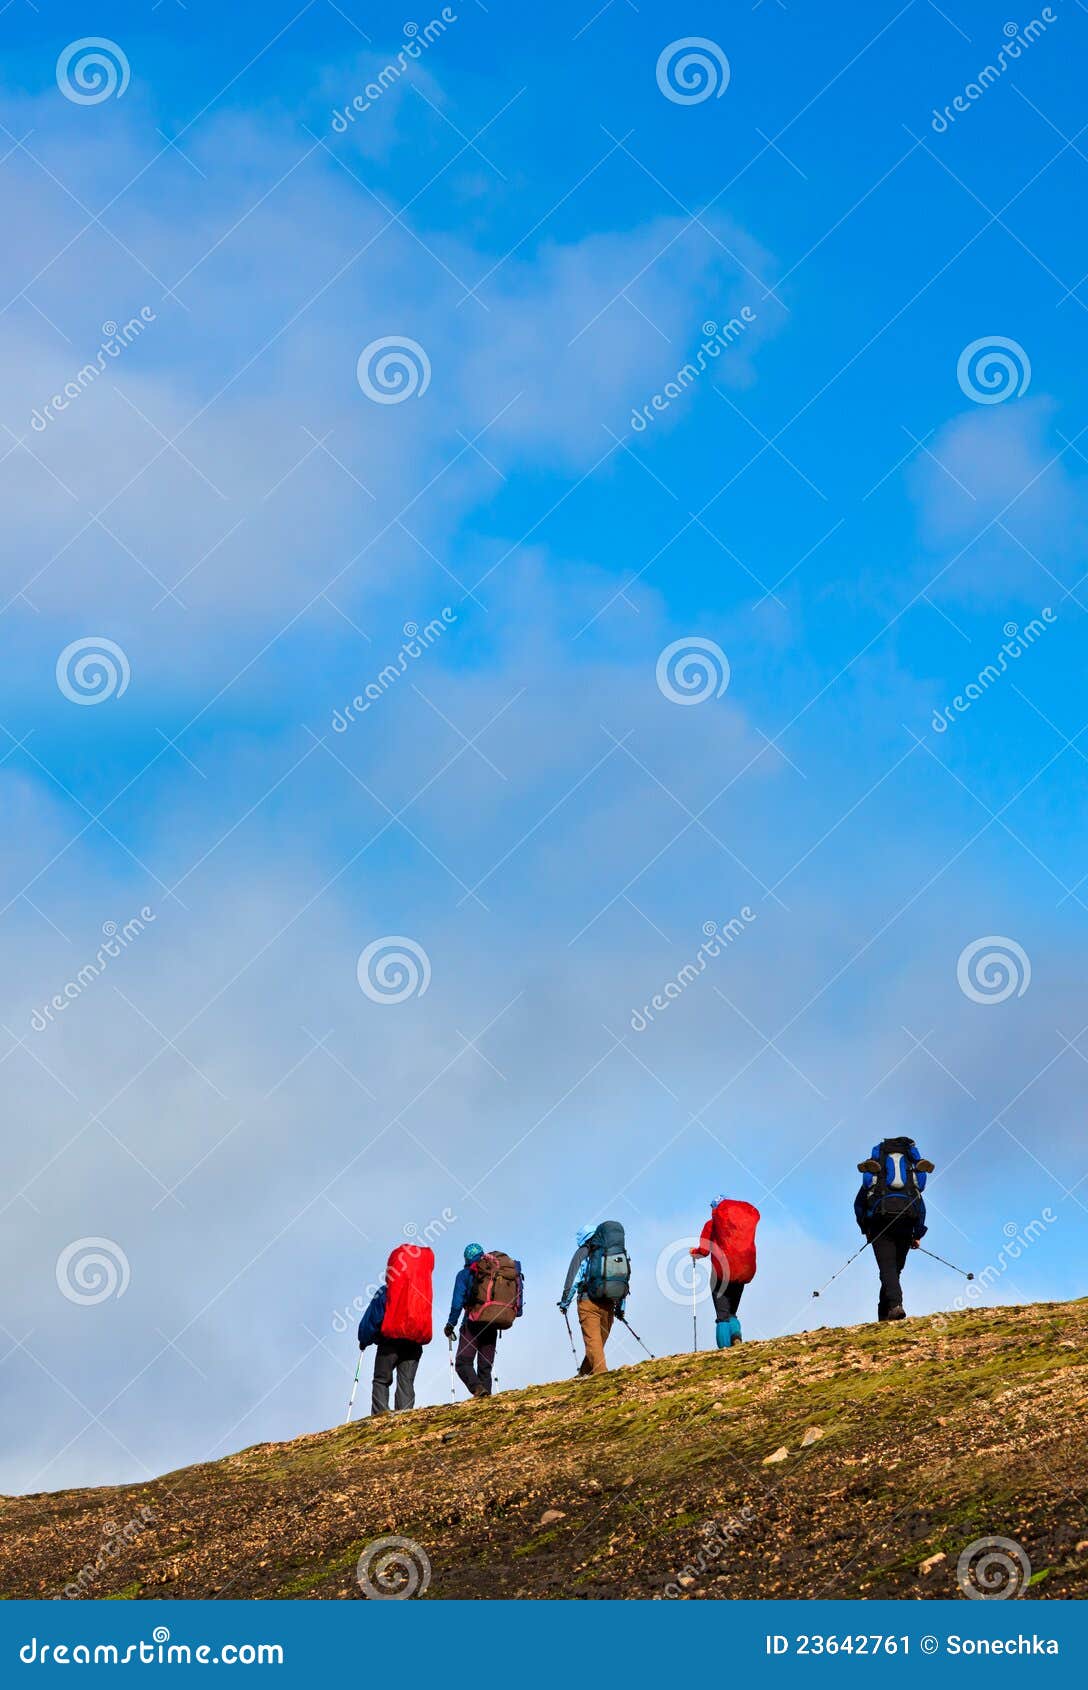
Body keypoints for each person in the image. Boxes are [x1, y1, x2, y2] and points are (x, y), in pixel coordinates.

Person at [854, 1138, 933, 1321]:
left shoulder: (876, 1180)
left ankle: (894, 1307)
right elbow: (921, 1207)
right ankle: (887, 1314)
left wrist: (866, 1229)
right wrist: (917, 1234)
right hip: (906, 1222)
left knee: (888, 1269)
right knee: (893, 1270)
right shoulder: (910, 1180)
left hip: (879, 1224)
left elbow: (858, 1205)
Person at [358, 1242, 434, 1412]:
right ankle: (404, 1416)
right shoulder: (420, 1293)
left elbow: (373, 1318)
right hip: (414, 1342)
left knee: (381, 1380)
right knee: (406, 1381)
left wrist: (364, 1339)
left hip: (390, 1342)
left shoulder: (386, 1291)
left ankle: (381, 1415)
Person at [444, 1243, 524, 1398]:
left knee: (463, 1362)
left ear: (466, 1258)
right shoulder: (494, 1271)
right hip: (493, 1321)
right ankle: (486, 1397)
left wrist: (450, 1324)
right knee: (485, 1366)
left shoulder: (464, 1274)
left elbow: (457, 1303)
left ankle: (477, 1389)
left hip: (473, 1322)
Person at [558, 1221, 630, 1375]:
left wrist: (565, 1302)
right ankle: (583, 1376)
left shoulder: (583, 1251)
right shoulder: (616, 1251)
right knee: (597, 1344)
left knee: (593, 1343)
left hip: (588, 1302)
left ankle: (602, 1377)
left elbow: (573, 1279)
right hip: (609, 1304)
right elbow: (621, 1279)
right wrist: (621, 1307)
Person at [690, 1194, 761, 1348]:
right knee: (732, 1312)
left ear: (716, 1208)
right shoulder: (741, 1226)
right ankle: (736, 1338)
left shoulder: (711, 1224)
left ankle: (724, 1349)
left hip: (720, 1273)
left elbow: (704, 1251)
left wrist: (694, 1252)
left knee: (722, 1315)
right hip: (741, 1271)